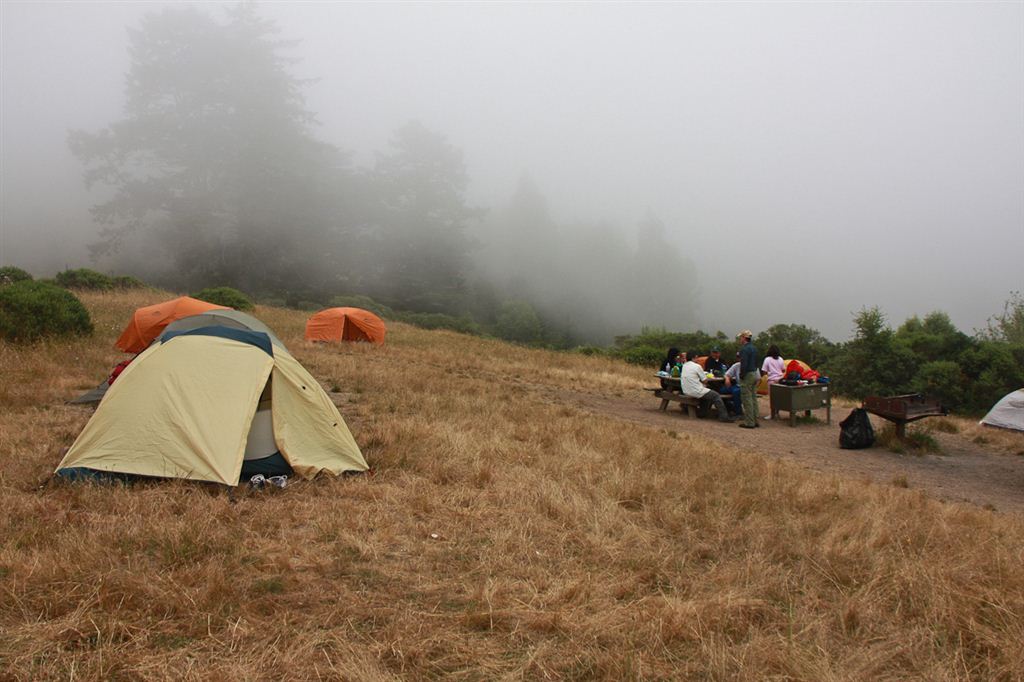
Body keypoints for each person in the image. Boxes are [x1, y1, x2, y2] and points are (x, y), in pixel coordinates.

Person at [681, 350, 733, 422]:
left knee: (707, 394)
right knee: (716, 395)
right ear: (695, 357)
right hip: (695, 391)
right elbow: (705, 380)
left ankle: (702, 413)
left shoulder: (684, 365)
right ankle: (724, 416)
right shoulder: (697, 366)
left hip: (686, 390)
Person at [737, 330, 760, 428]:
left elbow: (744, 363)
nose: (740, 339)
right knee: (753, 397)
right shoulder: (754, 348)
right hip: (755, 373)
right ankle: (755, 420)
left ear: (744, 338)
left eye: (740, 337)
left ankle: (749, 422)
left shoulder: (744, 349)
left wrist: (741, 375)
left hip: (748, 374)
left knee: (747, 398)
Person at [720, 351, 743, 417]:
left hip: (745, 387)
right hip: (737, 385)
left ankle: (738, 413)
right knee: (721, 390)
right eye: (738, 357)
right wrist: (727, 379)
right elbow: (727, 374)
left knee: (736, 392)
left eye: (740, 357)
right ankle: (728, 408)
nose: (739, 359)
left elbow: (758, 379)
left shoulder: (751, 366)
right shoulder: (736, 365)